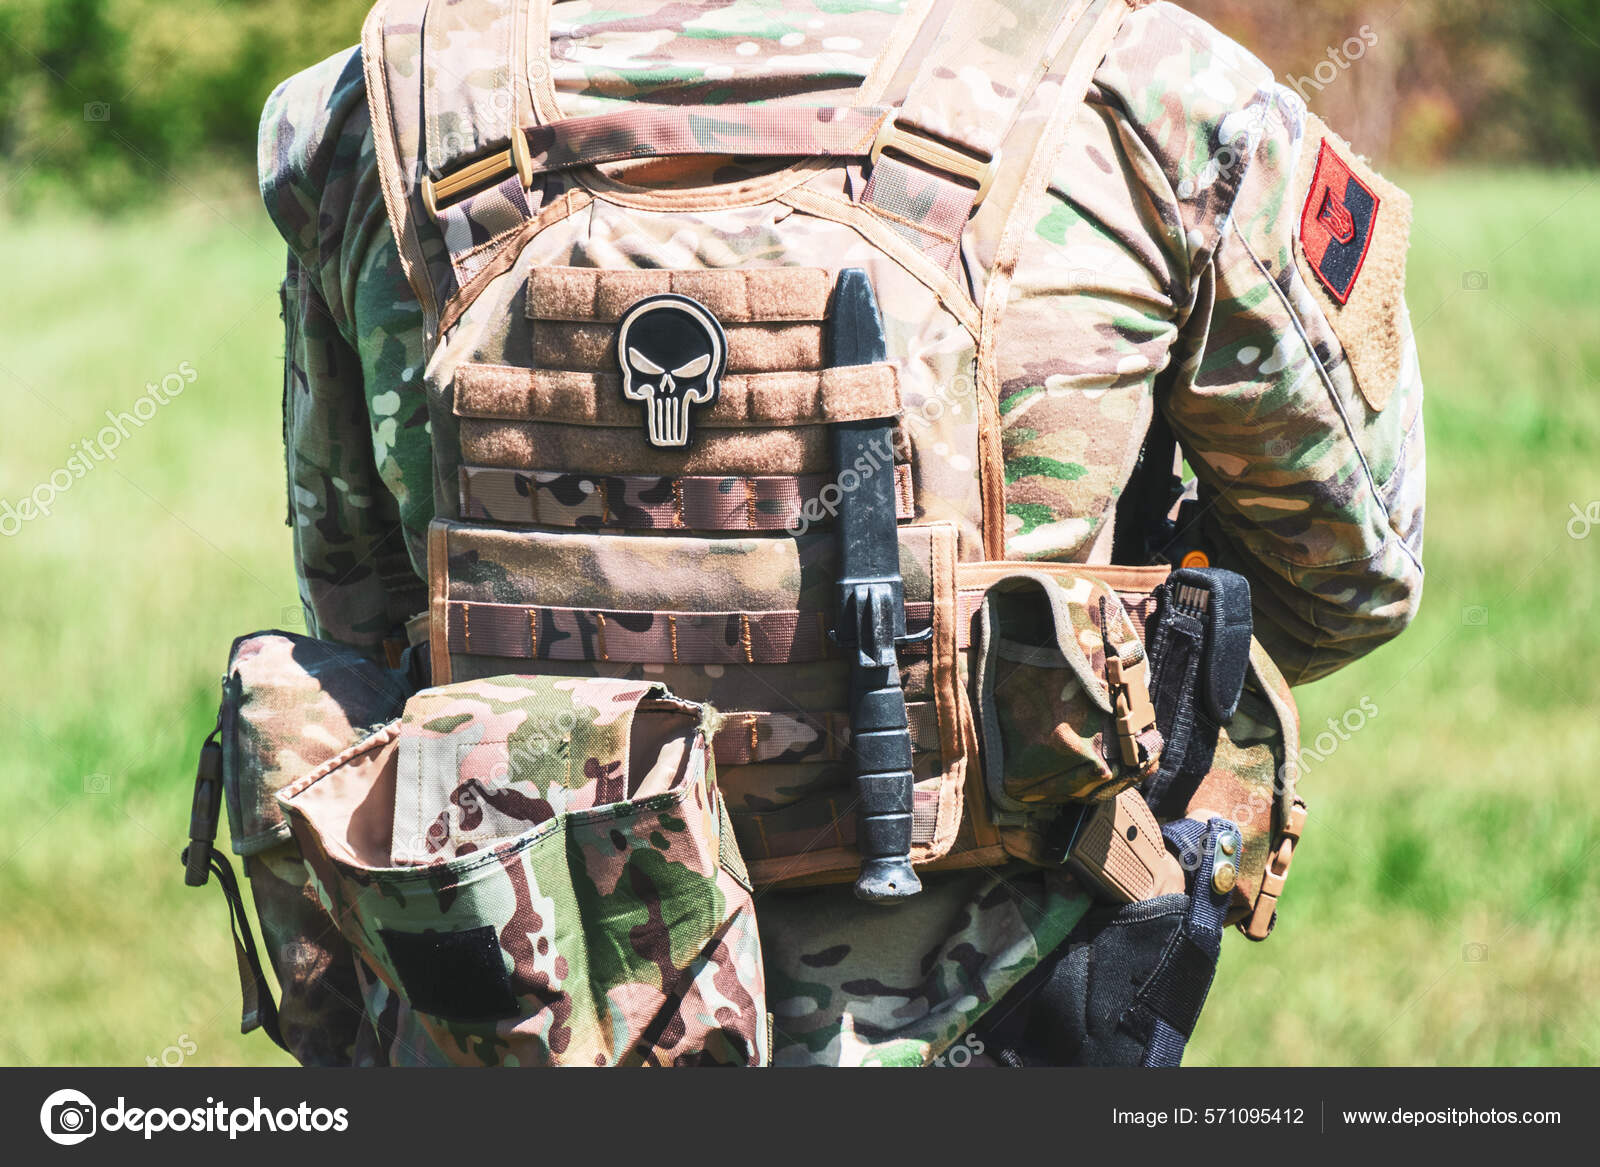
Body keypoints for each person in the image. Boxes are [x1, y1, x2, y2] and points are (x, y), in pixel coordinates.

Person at [257, 0, 1423, 1066]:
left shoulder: (378, 111)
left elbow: (357, 609)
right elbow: (1344, 576)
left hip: (517, 1010)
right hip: (1004, 1014)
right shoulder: (1161, 102)